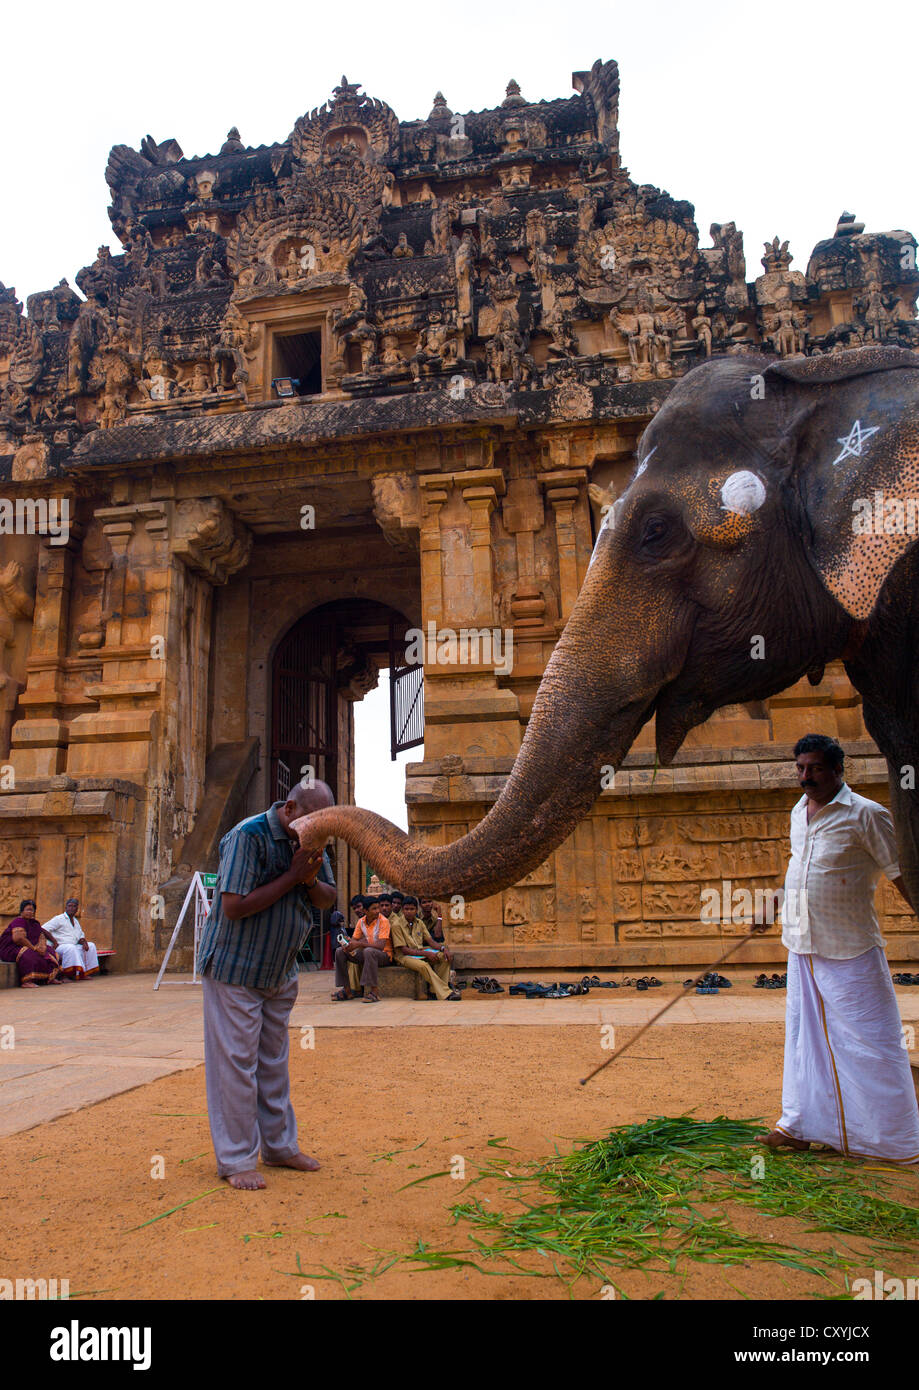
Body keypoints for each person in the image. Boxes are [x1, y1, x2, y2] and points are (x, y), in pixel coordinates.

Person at [756, 734, 919, 1164]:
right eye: (801, 768)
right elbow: (800, 866)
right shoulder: (798, 812)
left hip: (851, 947)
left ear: (838, 771)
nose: (806, 777)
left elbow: (900, 871)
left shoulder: (867, 814)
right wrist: (774, 902)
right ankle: (798, 1126)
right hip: (803, 945)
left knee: (876, 1044)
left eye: (815, 769)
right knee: (803, 1040)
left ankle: (896, 1144)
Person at [197, 780, 337, 1190]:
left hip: (279, 971)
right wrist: (294, 875)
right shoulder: (247, 836)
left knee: (273, 1065)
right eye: (310, 823)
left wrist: (309, 881)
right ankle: (237, 1158)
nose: (316, 835)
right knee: (237, 1066)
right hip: (236, 970)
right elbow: (234, 906)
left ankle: (279, 1146)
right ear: (290, 807)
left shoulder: (313, 838)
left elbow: (328, 898)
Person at [390, 895, 461, 1001]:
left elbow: (431, 941)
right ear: (402, 910)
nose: (409, 912)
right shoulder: (396, 925)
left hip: (420, 952)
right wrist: (426, 954)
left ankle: (434, 991)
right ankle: (446, 993)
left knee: (443, 957)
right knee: (424, 966)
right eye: (406, 909)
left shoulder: (419, 923)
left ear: (416, 910)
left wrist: (444, 949)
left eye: (412, 909)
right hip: (404, 957)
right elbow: (404, 949)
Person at [332, 895, 392, 1003]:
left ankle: (374, 992)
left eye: (378, 908)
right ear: (366, 911)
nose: (378, 911)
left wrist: (360, 944)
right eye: (374, 909)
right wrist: (348, 945)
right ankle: (347, 990)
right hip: (367, 954)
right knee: (340, 951)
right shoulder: (361, 922)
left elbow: (381, 946)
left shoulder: (384, 921)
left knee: (368, 951)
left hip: (384, 955)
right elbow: (354, 941)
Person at [0, 899, 63, 987]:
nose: (30, 912)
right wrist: (34, 948)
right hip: (11, 948)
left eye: (32, 910)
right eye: (28, 910)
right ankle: (27, 981)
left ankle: (49, 978)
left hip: (31, 946)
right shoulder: (18, 921)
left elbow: (41, 936)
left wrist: (42, 947)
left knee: (52, 952)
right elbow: (19, 939)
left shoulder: (35, 923)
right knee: (29, 954)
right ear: (22, 911)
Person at [41, 899, 100, 980]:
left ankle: (83, 973)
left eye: (74, 906)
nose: (71, 908)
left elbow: (80, 936)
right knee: (70, 948)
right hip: (60, 946)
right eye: (69, 906)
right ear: (66, 907)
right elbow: (43, 929)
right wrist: (54, 941)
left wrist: (84, 942)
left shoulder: (76, 921)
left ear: (77, 909)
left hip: (73, 945)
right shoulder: (59, 918)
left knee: (91, 945)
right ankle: (66, 975)